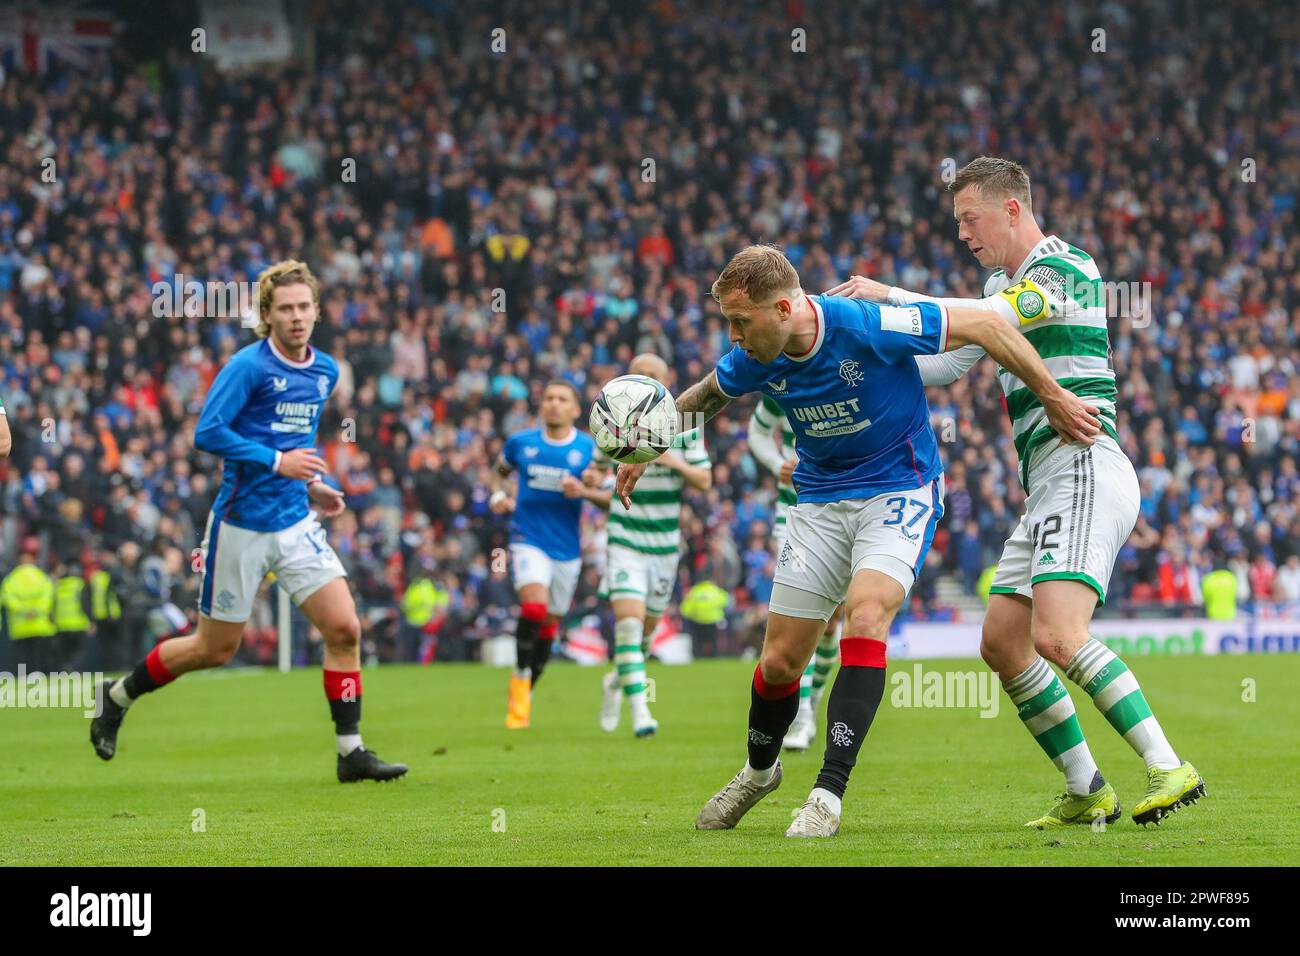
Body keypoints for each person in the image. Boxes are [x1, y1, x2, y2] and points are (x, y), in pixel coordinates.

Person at [616, 244, 1096, 837]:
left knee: (865, 618)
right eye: (728, 323)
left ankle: (828, 794)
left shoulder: (868, 324)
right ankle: (759, 773)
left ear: (785, 307)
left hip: (898, 490)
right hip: (817, 501)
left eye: (741, 321)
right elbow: (709, 395)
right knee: (778, 663)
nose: (734, 336)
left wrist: (1051, 394)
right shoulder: (755, 354)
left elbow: (987, 324)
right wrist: (648, 444)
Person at [830, 156, 1203, 827]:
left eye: (970, 219)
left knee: (1059, 636)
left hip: (1084, 463)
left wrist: (889, 296)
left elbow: (990, 315)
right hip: (1050, 482)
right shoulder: (999, 282)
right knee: (1004, 642)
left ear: (1010, 209)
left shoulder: (1062, 268)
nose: (963, 234)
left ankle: (1167, 764)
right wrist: (862, 347)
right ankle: (1087, 786)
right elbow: (947, 362)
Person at [89, 260, 407, 783]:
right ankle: (118, 696)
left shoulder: (324, 371)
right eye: (286, 308)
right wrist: (277, 463)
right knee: (213, 649)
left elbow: (294, 441)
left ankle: (350, 752)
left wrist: (310, 485)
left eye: (305, 306)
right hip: (240, 525)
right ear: (267, 314)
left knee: (345, 627)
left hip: (294, 521)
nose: (297, 316)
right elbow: (207, 434)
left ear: (317, 310)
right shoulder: (248, 367)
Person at [589, 353, 713, 738]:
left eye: (653, 374)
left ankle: (616, 680)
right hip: (625, 536)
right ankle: (641, 711)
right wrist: (587, 481)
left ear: (667, 380)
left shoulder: (686, 424)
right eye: (638, 373)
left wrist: (669, 459)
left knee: (643, 635)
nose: (644, 379)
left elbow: (704, 480)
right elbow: (595, 473)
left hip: (663, 544)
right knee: (627, 627)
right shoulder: (610, 418)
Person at [490, 380, 597, 728]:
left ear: (575, 409)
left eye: (562, 399)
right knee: (534, 607)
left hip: (566, 548)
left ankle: (526, 686)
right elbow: (499, 472)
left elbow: (609, 495)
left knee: (550, 622)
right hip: (527, 538)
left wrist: (583, 488)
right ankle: (520, 676)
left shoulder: (588, 449)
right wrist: (497, 495)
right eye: (548, 397)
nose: (553, 404)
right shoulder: (521, 443)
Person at [748, 394, 842, 752]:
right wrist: (777, 464)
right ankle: (801, 711)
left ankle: (811, 704)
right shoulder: (781, 384)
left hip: (847, 507)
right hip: (795, 513)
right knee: (801, 615)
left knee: (832, 622)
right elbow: (756, 432)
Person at [2, 537, 56, 673]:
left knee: (22, 660)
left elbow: (8, 599)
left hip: (20, 627)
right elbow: (48, 596)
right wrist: (36, 611)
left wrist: (23, 612)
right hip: (39, 625)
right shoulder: (41, 576)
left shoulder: (11, 579)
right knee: (38, 658)